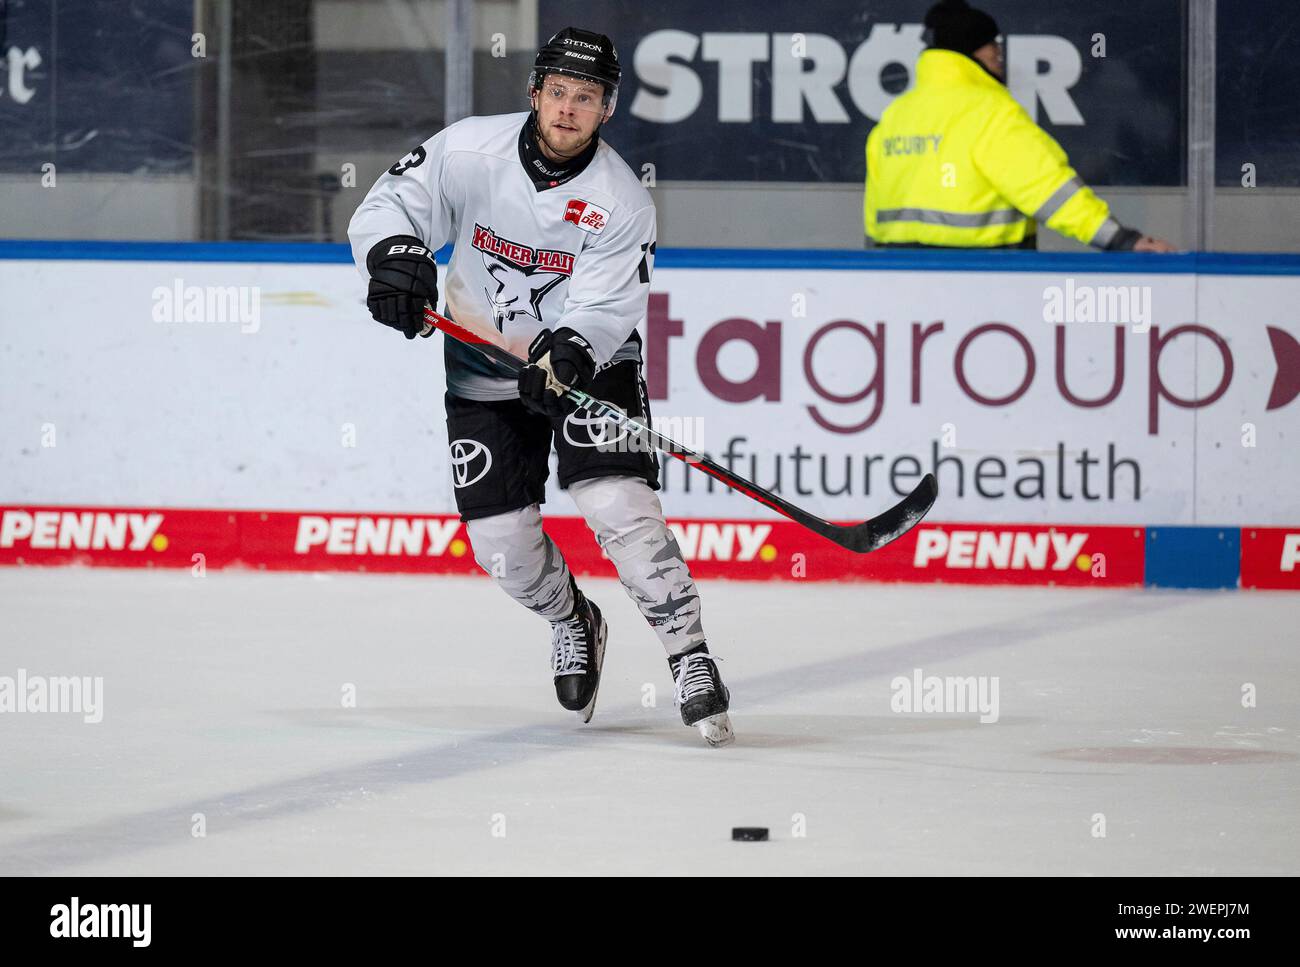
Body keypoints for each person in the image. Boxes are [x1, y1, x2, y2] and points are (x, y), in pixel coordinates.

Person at [347, 27, 733, 746]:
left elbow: (607, 305)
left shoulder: (621, 200)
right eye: (557, 92)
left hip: (589, 365)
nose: (567, 109)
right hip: (481, 359)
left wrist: (573, 352)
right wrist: (394, 256)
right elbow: (387, 206)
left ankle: (689, 653)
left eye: (585, 97)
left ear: (606, 109)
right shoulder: (469, 150)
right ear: (535, 93)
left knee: (616, 502)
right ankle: (572, 619)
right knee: (499, 543)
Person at [865, 0, 1176, 252]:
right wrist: (1119, 240)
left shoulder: (895, 115)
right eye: (994, 48)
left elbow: (873, 214)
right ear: (972, 52)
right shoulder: (990, 112)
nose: (1000, 57)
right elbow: (1047, 188)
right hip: (983, 279)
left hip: (898, 280)